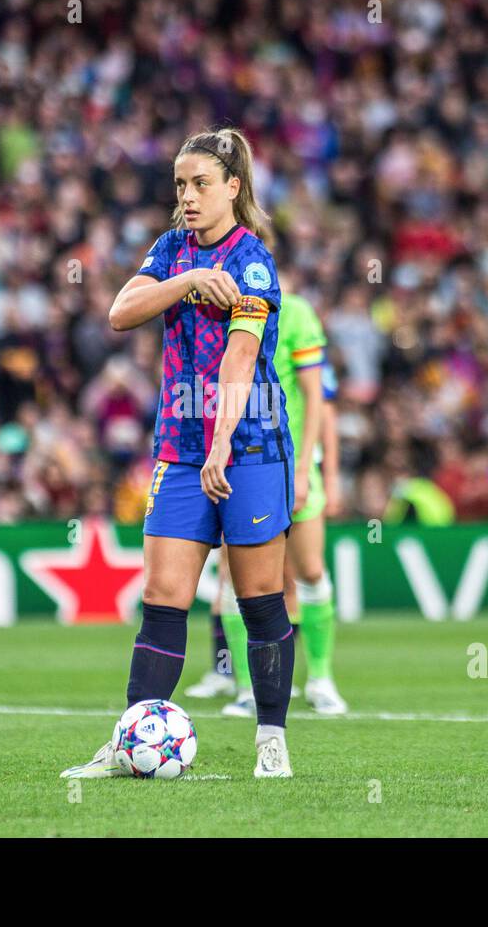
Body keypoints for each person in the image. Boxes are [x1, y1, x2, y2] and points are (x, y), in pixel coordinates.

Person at [60, 128, 298, 778]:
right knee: (164, 595)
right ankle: (131, 737)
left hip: (248, 446)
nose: (187, 197)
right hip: (179, 448)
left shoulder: (252, 262)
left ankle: (270, 738)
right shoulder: (171, 251)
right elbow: (120, 310)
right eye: (179, 186)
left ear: (233, 187)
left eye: (199, 184)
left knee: (258, 601)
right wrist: (190, 277)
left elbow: (241, 360)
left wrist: (222, 442)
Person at [186, 292, 348, 715]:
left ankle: (321, 678)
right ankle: (246, 689)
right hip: (236, 460)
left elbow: (318, 399)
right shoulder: (209, 312)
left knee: (309, 570)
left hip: (290, 460)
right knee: (233, 579)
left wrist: (311, 469)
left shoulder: (296, 313)